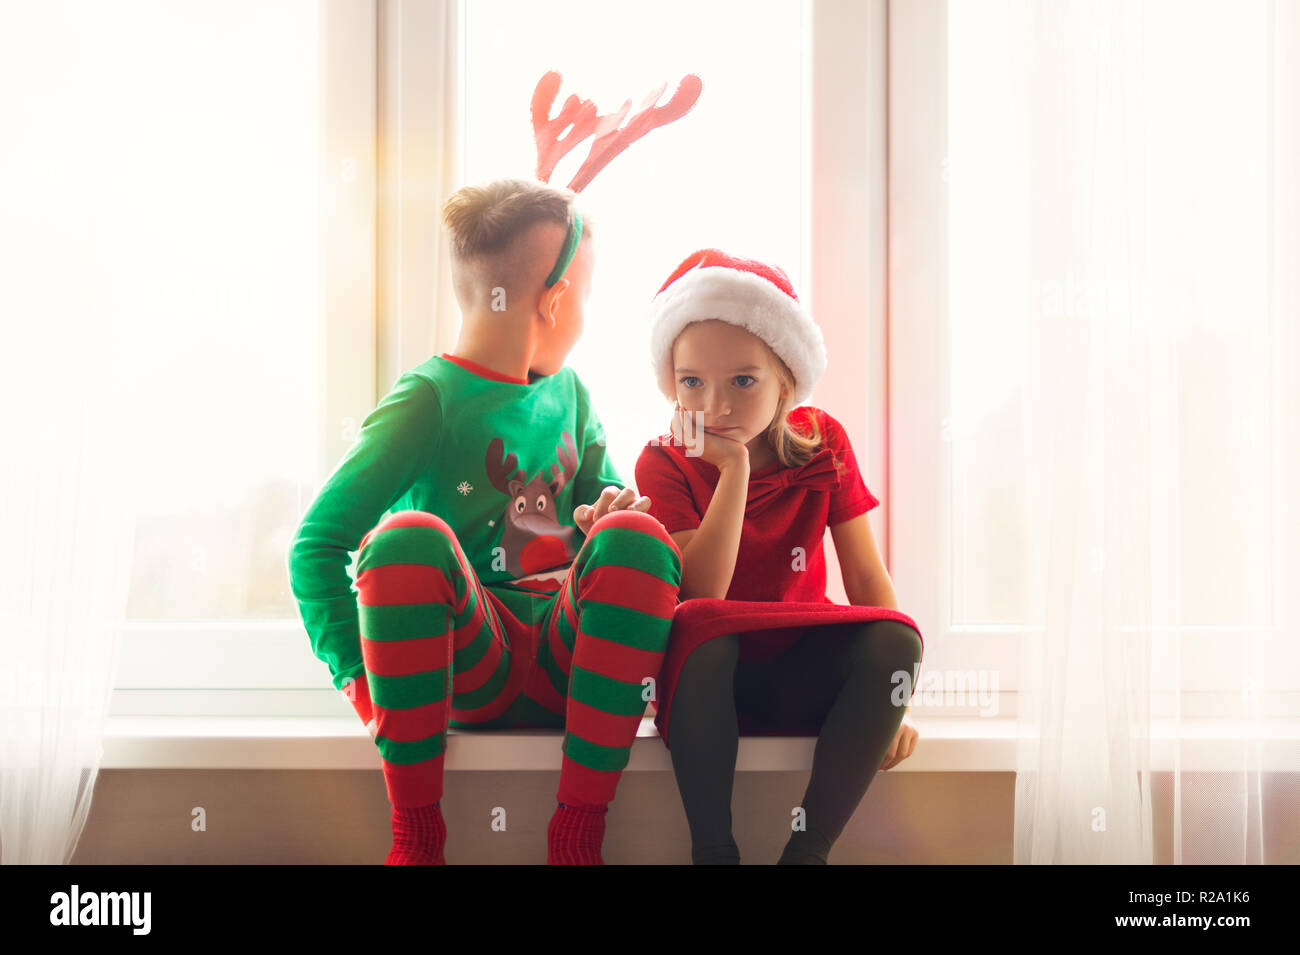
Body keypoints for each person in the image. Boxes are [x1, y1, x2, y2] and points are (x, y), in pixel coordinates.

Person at [287, 178, 682, 864]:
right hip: (476, 663)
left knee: (643, 538)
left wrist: (614, 513)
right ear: (556, 300)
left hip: (567, 662)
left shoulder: (573, 395)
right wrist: (368, 691)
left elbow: (611, 518)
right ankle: (416, 835)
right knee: (406, 541)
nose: (584, 315)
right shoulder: (428, 401)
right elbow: (316, 546)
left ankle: (578, 834)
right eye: (585, 297)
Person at [634, 248, 926, 864]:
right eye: (693, 382)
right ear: (672, 384)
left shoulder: (823, 440)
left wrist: (893, 698)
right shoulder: (662, 460)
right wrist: (733, 466)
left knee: (897, 639)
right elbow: (702, 591)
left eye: (744, 380)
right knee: (703, 627)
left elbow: (865, 575)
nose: (716, 407)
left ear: (786, 382)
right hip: (708, 685)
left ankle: (808, 852)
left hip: (800, 673)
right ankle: (714, 851)